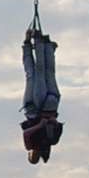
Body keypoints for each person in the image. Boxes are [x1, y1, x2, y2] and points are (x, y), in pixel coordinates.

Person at [21, 27, 64, 164]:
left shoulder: (32, 144)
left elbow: (26, 133)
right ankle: (42, 45)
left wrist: (41, 125)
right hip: (42, 108)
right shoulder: (50, 140)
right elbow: (59, 124)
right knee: (38, 74)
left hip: (36, 109)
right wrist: (49, 122)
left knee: (35, 74)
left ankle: (38, 44)